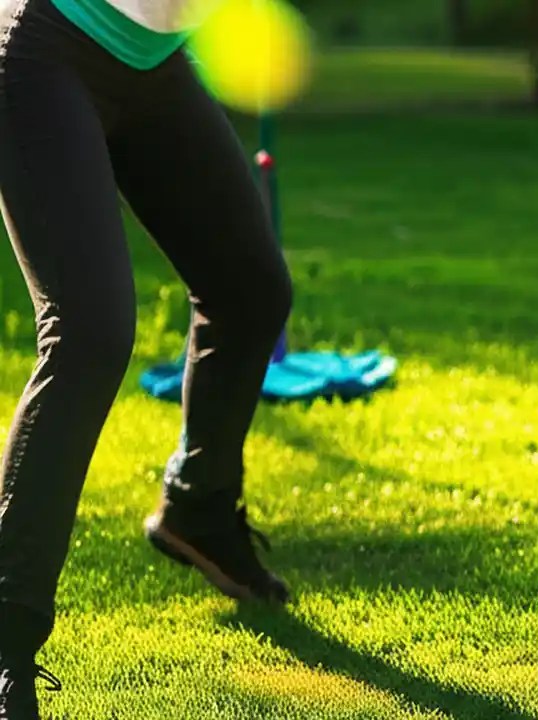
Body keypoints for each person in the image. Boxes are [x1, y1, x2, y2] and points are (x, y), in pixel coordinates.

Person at [0, 0, 292, 716]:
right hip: (46, 43)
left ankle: (199, 508)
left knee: (249, 291)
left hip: (153, 60)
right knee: (90, 333)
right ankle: (6, 639)